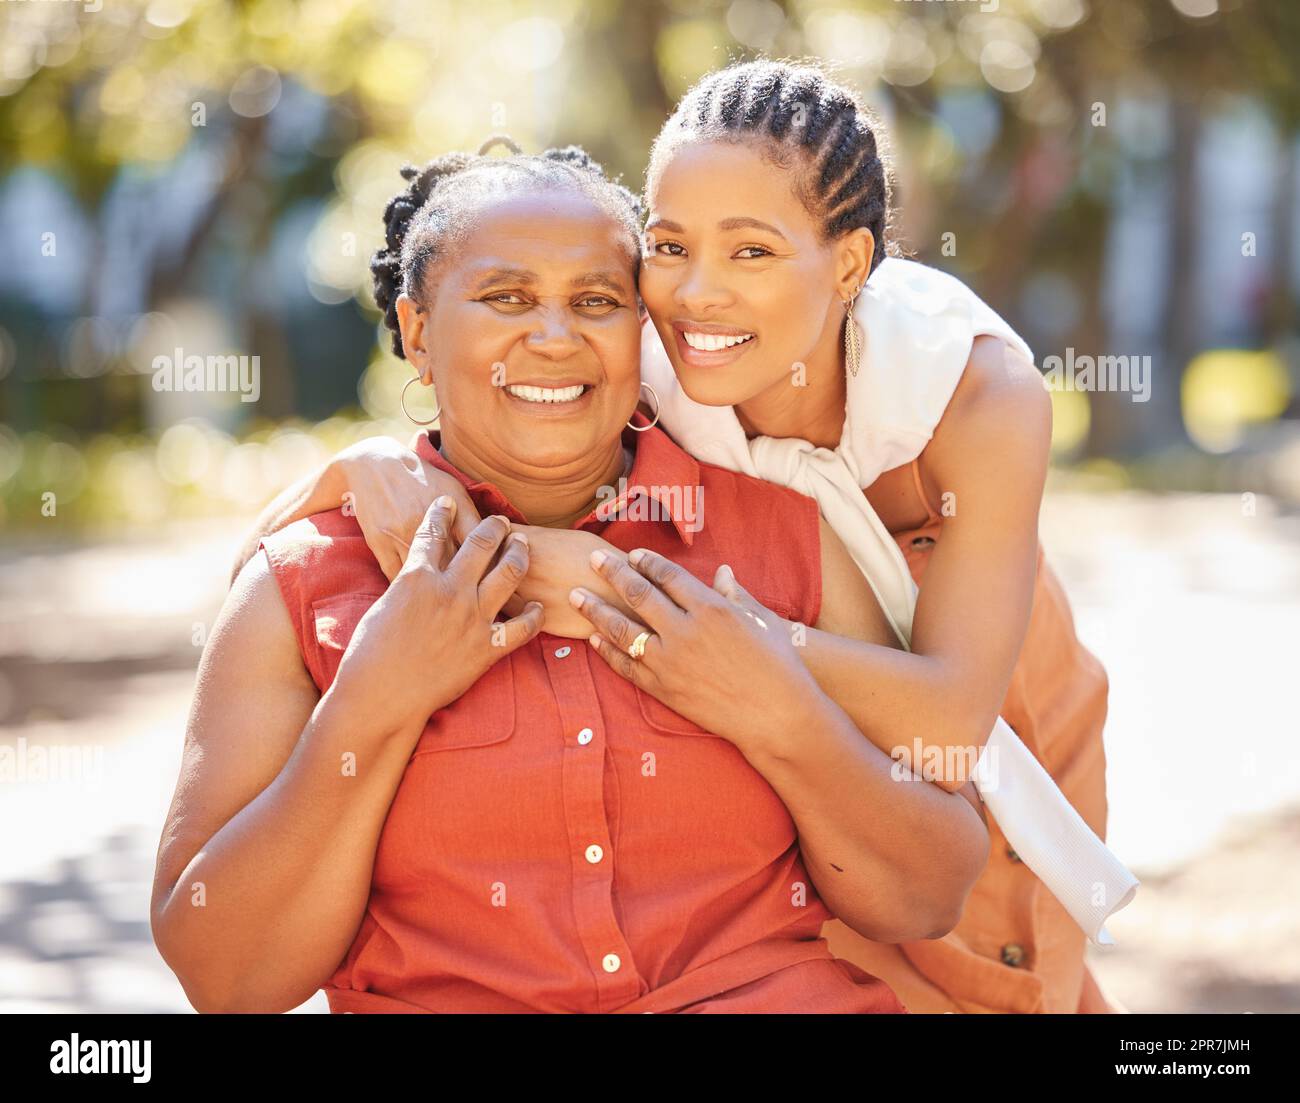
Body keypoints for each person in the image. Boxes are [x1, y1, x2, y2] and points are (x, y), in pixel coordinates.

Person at [244, 61, 1130, 1015]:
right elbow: (504, 385)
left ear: (847, 264)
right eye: (669, 246)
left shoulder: (974, 389)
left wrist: (706, 626)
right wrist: (372, 462)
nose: (698, 292)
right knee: (841, 947)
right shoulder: (655, 343)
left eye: (751, 251)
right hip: (796, 641)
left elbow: (952, 718)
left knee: (1012, 964)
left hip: (981, 666)